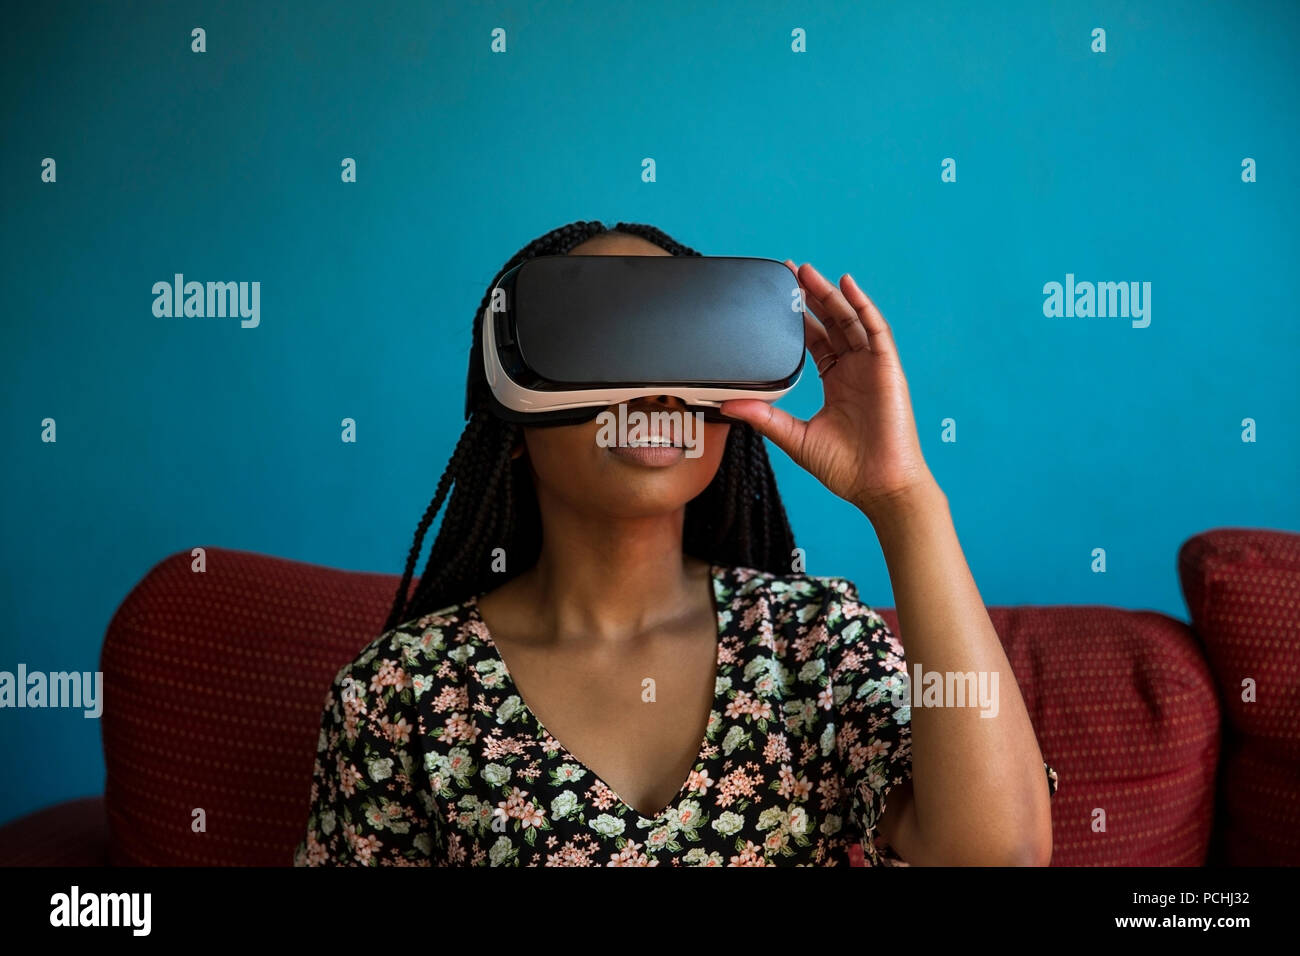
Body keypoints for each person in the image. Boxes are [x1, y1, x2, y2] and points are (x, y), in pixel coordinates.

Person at [292, 219, 1058, 867]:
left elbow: (1000, 856)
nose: (655, 392)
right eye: (604, 342)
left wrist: (904, 500)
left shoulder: (813, 643)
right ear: (514, 416)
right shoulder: (396, 693)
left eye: (683, 345)